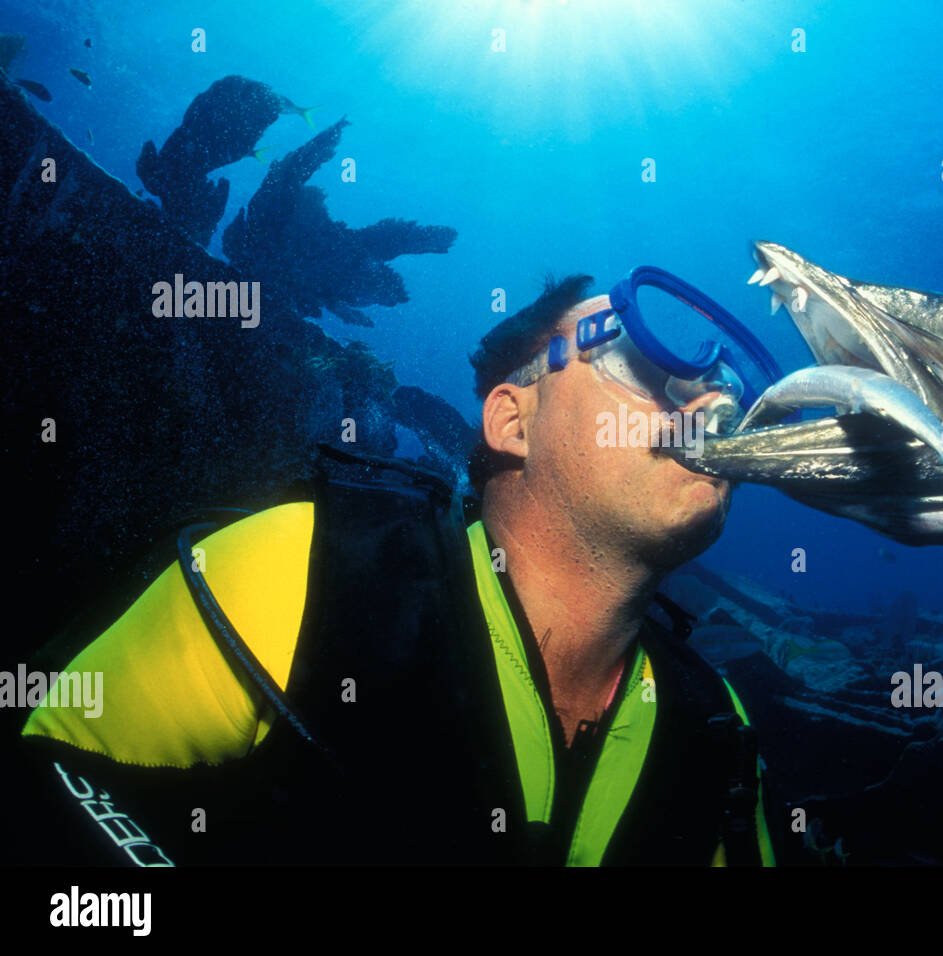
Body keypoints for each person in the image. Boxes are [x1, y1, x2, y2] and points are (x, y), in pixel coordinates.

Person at [12, 267, 786, 866]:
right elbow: (48, 784)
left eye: (712, 387)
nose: (704, 405)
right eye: (628, 359)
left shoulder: (716, 726)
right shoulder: (307, 567)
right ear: (513, 421)